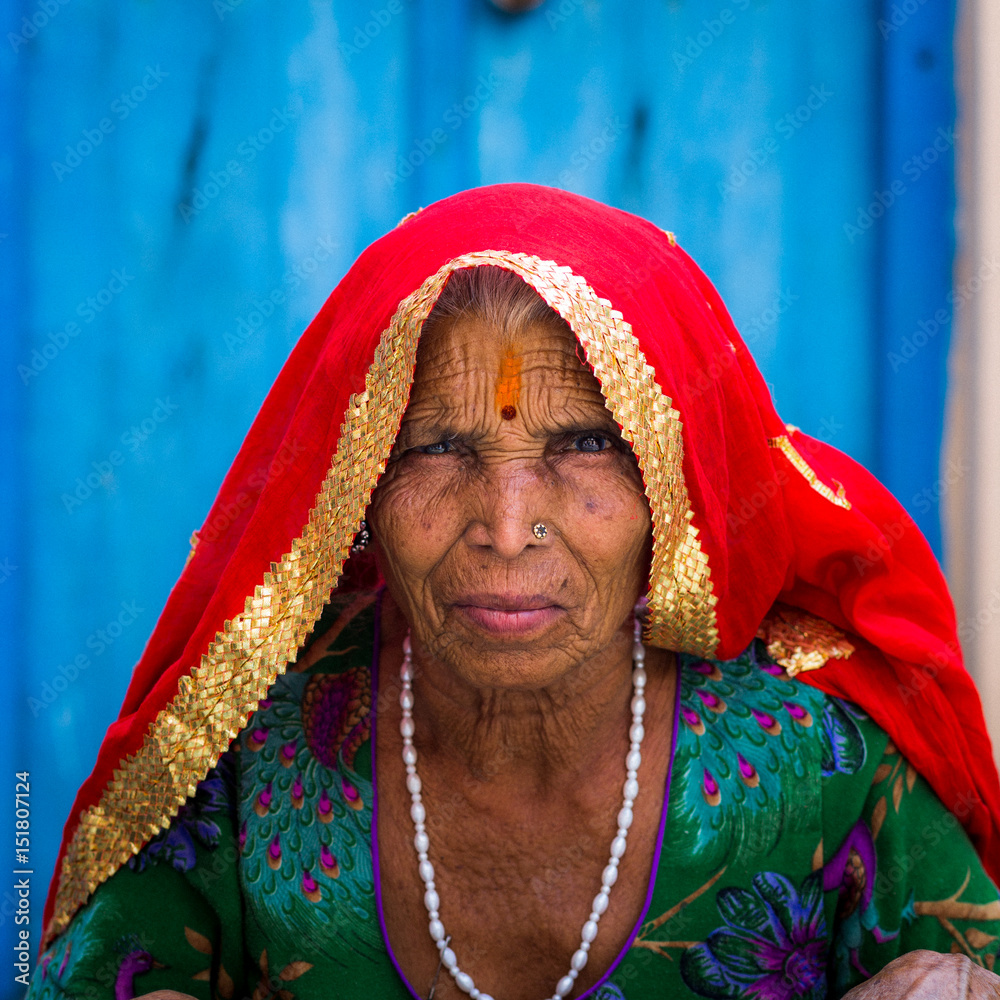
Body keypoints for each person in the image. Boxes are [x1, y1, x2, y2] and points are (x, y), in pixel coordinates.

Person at [28, 185, 1000, 1000]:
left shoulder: (816, 752)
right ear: (353, 487)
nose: (504, 523)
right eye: (440, 448)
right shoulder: (249, 743)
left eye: (582, 445)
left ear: (676, 480)